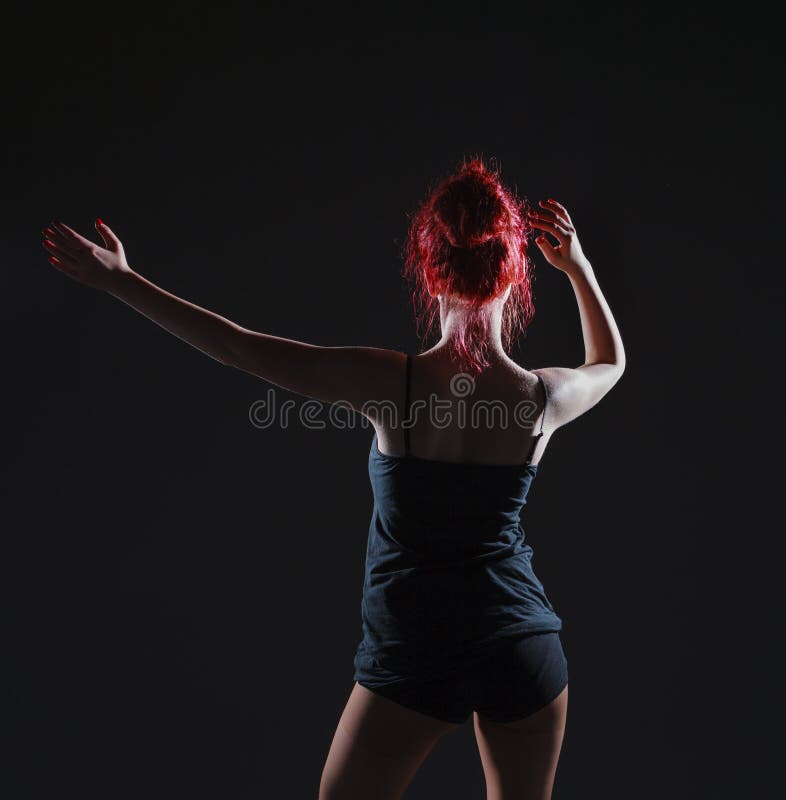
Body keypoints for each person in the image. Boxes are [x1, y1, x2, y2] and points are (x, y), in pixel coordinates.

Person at [41, 155, 625, 799]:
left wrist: (125, 282)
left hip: (415, 655)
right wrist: (578, 268)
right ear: (514, 275)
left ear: (431, 272)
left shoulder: (389, 384)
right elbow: (609, 362)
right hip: (523, 646)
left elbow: (238, 345)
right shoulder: (540, 398)